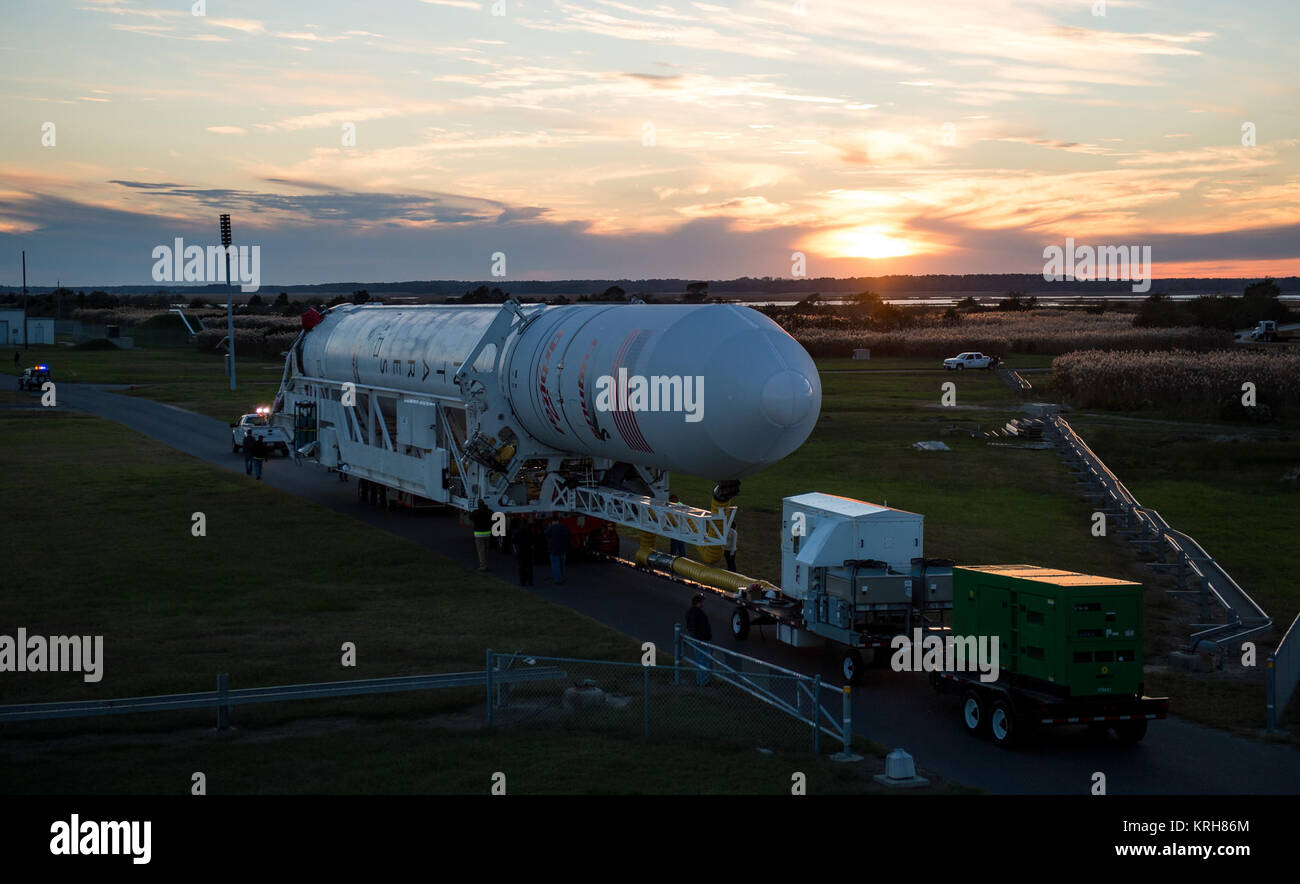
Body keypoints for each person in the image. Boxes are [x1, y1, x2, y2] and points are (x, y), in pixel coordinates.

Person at [685, 593, 713, 686]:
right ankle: (703, 682)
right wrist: (705, 636)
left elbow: (690, 627)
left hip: (696, 639)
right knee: (704, 661)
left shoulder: (690, 612)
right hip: (701, 640)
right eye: (702, 601)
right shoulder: (698, 613)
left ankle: (700, 681)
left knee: (700, 660)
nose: (703, 603)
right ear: (698, 602)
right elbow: (700, 627)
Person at [544, 517, 571, 584]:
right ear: (558, 521)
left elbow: (546, 534)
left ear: (552, 522)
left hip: (554, 549)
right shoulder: (564, 527)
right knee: (562, 565)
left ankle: (558, 580)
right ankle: (561, 577)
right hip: (563, 549)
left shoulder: (551, 528)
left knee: (555, 565)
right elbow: (569, 534)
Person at [511, 518, 535, 587]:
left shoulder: (516, 532)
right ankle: (530, 581)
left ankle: (523, 582)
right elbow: (533, 542)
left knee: (521, 567)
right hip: (528, 551)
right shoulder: (529, 532)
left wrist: (515, 551)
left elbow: (514, 542)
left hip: (520, 551)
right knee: (529, 567)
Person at [471, 500, 493, 571]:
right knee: (486, 549)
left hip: (479, 534)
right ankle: (485, 563)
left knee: (481, 550)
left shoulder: (475, 512)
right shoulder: (489, 512)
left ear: (478, 505)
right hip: (487, 533)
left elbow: (470, 517)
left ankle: (483, 565)